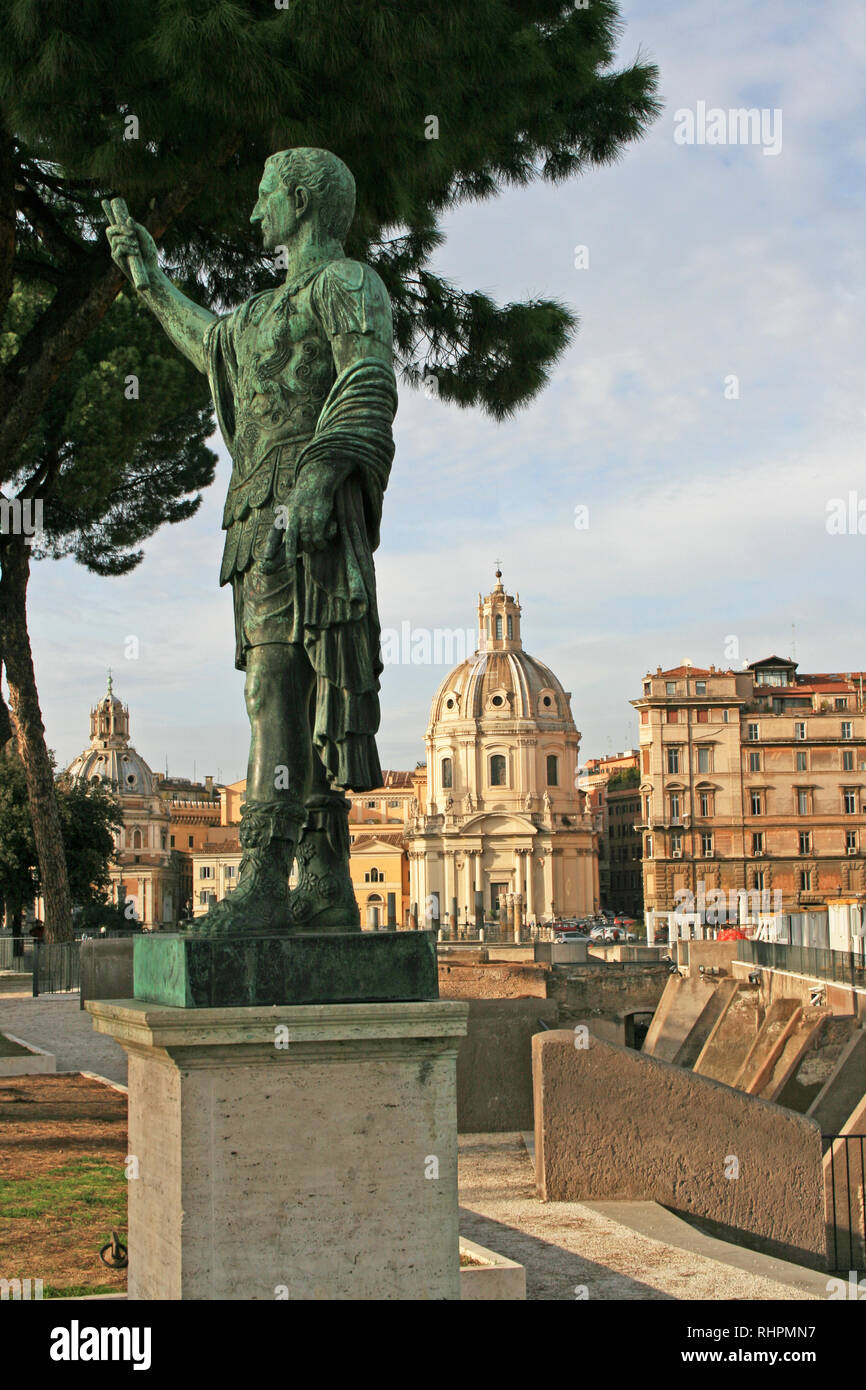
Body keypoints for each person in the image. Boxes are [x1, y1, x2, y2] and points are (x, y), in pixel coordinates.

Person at [107, 150, 397, 935]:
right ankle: (326, 881)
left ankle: (268, 871)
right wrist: (151, 282)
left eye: (264, 196)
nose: (253, 211)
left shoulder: (348, 283)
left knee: (281, 681)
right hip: (256, 513)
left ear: (298, 200)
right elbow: (212, 344)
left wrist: (320, 477)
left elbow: (368, 377)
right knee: (282, 686)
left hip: (308, 506)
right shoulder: (265, 309)